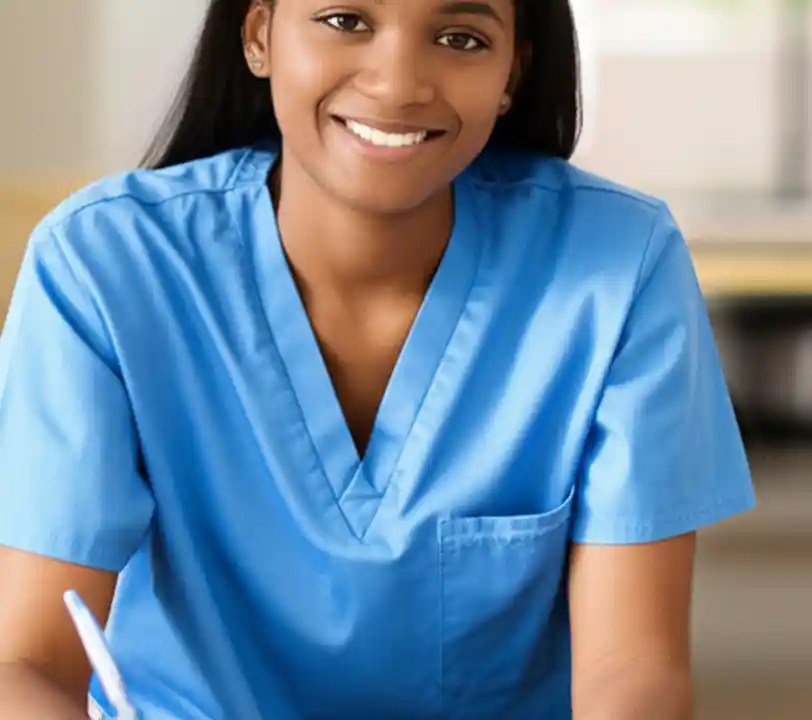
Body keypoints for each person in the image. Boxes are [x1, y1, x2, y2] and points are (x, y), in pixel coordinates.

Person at [0, 0, 755, 717]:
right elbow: (26, 663)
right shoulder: (102, 266)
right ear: (259, 33)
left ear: (512, 74)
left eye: (461, 37)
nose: (397, 83)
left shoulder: (619, 265)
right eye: (343, 19)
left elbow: (634, 672)